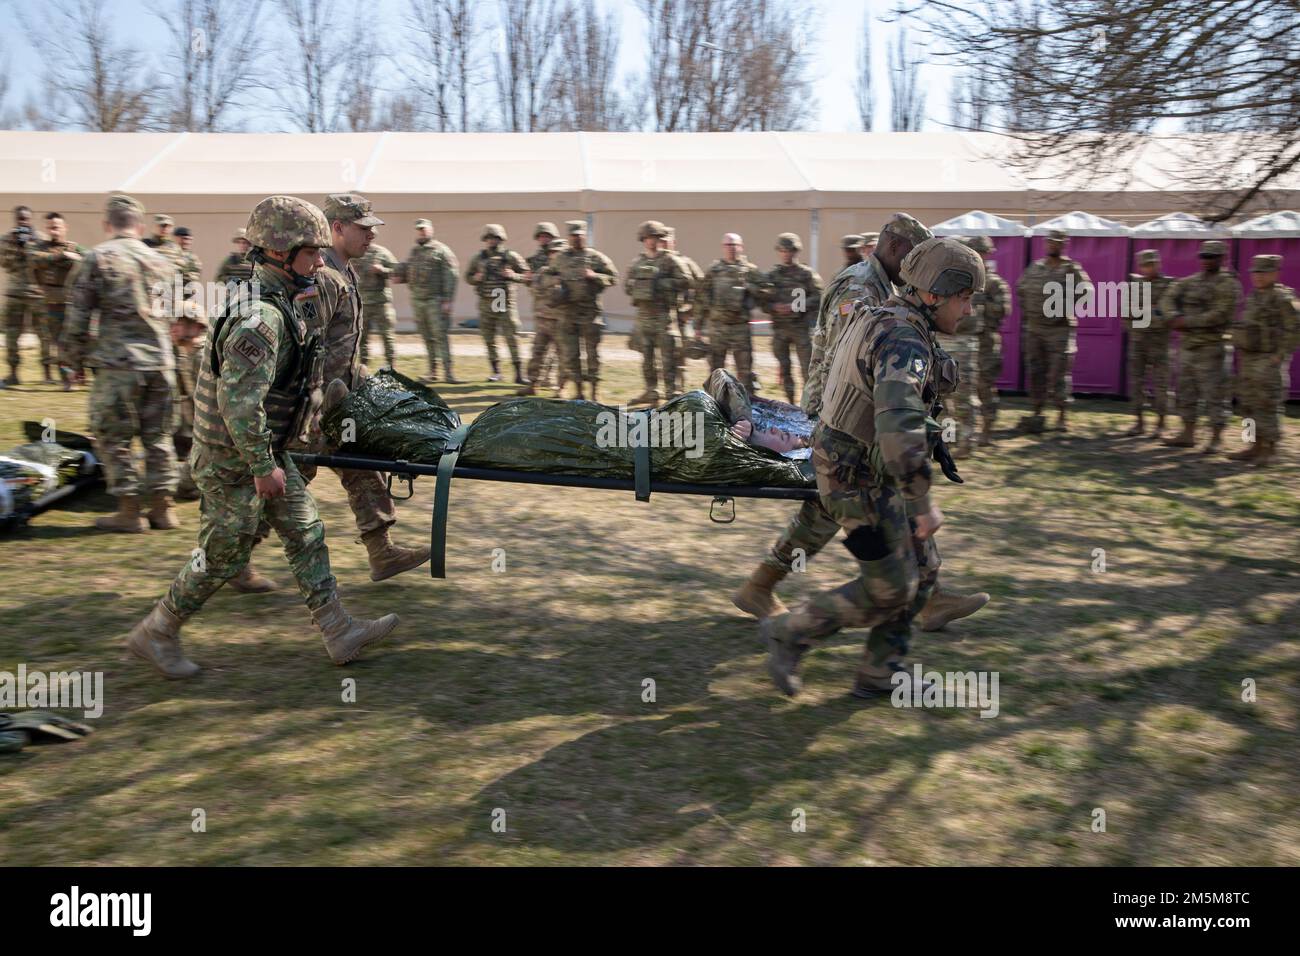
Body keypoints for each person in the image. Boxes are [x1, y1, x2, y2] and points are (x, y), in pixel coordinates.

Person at [123, 195, 400, 680]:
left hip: (262, 448)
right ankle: (158, 630)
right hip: (234, 456)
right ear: (279, 253)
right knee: (223, 553)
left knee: (305, 528)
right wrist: (260, 465)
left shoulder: (281, 302)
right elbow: (239, 403)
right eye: (311, 252)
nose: (319, 261)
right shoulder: (261, 318)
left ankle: (339, 631)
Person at [735, 212, 988, 636]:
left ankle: (764, 586)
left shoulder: (879, 285)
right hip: (841, 411)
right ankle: (913, 598)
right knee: (879, 496)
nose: (917, 269)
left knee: (834, 505)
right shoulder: (860, 287)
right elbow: (857, 353)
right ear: (893, 248)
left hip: (851, 412)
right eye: (914, 256)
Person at [235, 193, 431, 592]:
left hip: (336, 400)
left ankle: (381, 549)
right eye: (364, 229)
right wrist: (312, 404)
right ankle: (233, 557)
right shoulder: (324, 279)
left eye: (373, 229)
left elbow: (342, 347)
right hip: (313, 407)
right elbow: (304, 346)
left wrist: (363, 383)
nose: (371, 236)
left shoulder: (345, 272)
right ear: (337, 228)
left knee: (356, 462)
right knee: (287, 485)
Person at [60, 195, 181, 532]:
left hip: (119, 364)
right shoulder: (163, 261)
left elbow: (78, 315)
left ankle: (129, 510)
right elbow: (174, 313)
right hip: (161, 362)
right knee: (159, 437)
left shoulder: (98, 258)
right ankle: (163, 508)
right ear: (140, 227)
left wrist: (73, 360)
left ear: (106, 225)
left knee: (114, 437)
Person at [1160, 240, 1241, 452]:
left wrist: (1188, 322)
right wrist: (1173, 316)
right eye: (1203, 256)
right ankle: (1187, 433)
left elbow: (1221, 313)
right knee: (1186, 391)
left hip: (1212, 348)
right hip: (1188, 347)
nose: (1206, 261)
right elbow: (1167, 298)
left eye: (1211, 257)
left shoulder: (1228, 284)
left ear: (1222, 259)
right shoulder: (1189, 281)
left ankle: (1216, 437)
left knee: (1215, 394)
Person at [1227, 254, 1299, 467]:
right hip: (1249, 358)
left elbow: (1295, 329)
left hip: (1269, 360)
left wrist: (1281, 355)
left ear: (1275, 273)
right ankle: (1252, 445)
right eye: (1255, 272)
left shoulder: (1283, 298)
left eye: (1263, 272)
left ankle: (1270, 450)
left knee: (1268, 404)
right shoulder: (1254, 296)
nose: (1257, 277)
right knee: (1247, 403)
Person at [1017, 229, 1091, 433]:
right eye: (1050, 242)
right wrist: (1030, 313)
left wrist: (1065, 307)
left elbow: (1087, 292)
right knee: (1035, 371)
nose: (1053, 245)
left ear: (1064, 245)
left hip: (1059, 331)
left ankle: (1061, 416)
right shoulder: (1035, 267)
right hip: (1034, 330)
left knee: (1059, 374)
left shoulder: (1071, 269)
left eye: (1057, 243)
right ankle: (1037, 411)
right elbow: (1021, 289)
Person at [624, 219, 690, 405]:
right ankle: (651, 391)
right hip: (644, 318)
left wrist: (660, 284)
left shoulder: (670, 260)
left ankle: (671, 395)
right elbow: (627, 286)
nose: (651, 241)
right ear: (643, 240)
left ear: (660, 239)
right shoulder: (637, 262)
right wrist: (640, 287)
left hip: (664, 318)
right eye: (647, 238)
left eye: (654, 237)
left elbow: (687, 281)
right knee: (647, 359)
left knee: (668, 359)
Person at [556, 220, 618, 400]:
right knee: (571, 354)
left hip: (590, 314)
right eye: (573, 235)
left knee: (592, 354)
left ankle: (594, 392)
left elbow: (614, 277)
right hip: (567, 314)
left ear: (585, 236)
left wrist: (595, 276)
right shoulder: (560, 258)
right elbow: (546, 275)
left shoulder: (595, 257)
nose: (576, 238)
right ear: (568, 237)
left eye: (579, 235)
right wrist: (553, 284)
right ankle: (579, 391)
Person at [760, 232, 822, 404]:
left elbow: (818, 297)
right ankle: (790, 403)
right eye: (783, 250)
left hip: (800, 329)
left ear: (796, 251)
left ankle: (809, 406)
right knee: (785, 369)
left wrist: (796, 306)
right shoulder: (772, 275)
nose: (787, 253)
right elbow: (762, 300)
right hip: (780, 331)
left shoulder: (806, 274)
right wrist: (773, 307)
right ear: (779, 251)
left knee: (807, 371)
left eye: (790, 250)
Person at [699, 233, 763, 393]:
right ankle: (716, 405)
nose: (732, 248)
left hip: (740, 328)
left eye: (735, 245)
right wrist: (698, 326)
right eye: (728, 245)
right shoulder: (714, 270)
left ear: (741, 247)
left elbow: (765, 291)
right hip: (717, 328)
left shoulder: (750, 270)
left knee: (745, 370)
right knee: (716, 370)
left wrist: (749, 288)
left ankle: (748, 407)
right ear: (723, 247)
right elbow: (701, 296)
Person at [466, 224, 529, 384]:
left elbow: (527, 275)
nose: (491, 241)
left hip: (504, 301)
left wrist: (513, 275)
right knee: (489, 338)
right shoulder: (478, 258)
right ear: (485, 240)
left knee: (511, 338)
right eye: (489, 238)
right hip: (486, 302)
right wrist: (476, 278)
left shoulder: (510, 256)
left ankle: (519, 374)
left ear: (501, 239)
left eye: (495, 238)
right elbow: (468, 276)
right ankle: (496, 372)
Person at [398, 218, 459, 384]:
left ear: (431, 230)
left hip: (435, 301)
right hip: (418, 301)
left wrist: (448, 300)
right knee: (426, 336)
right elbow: (408, 271)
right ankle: (433, 371)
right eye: (419, 230)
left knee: (440, 336)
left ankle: (448, 373)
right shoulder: (414, 252)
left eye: (424, 229)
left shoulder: (441, 250)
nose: (421, 232)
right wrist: (399, 275)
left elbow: (451, 275)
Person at [1124, 249, 1175, 438]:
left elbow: (1169, 312)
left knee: (1161, 383)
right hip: (1138, 340)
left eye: (1152, 264)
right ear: (1140, 266)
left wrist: (1144, 312)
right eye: (1145, 265)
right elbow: (1125, 312)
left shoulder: (1170, 285)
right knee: (1136, 382)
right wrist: (1151, 312)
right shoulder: (1134, 286)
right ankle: (1138, 422)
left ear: (1159, 264)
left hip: (1160, 341)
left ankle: (1161, 423)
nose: (1149, 268)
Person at [32, 212, 86, 389]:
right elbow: (34, 260)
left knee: (77, 341)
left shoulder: (75, 247)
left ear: (65, 228)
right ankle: (67, 380)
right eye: (50, 228)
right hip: (52, 304)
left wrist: (77, 257)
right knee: (59, 343)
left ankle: (79, 374)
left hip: (74, 304)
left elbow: (90, 258)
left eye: (56, 227)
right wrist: (61, 256)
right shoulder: (41, 248)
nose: (53, 231)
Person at [967, 236, 1010, 445]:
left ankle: (987, 431)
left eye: (982, 253)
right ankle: (963, 432)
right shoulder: (962, 279)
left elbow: (1004, 310)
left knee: (985, 386)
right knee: (960, 389)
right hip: (963, 341)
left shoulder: (994, 282)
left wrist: (984, 302)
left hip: (985, 342)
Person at [518, 238, 569, 396]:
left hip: (561, 321)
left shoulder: (569, 274)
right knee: (537, 353)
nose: (555, 255)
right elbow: (534, 290)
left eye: (558, 253)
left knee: (564, 356)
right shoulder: (542, 272)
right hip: (542, 320)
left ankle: (561, 388)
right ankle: (533, 384)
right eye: (552, 252)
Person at [1, 205, 45, 386]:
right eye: (20, 219)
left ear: (31, 219)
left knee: (44, 334)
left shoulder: (40, 239)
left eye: (26, 219)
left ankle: (47, 375)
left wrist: (30, 247)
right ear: (15, 219)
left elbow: (44, 265)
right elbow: (4, 264)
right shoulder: (6, 239)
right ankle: (13, 374)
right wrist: (15, 247)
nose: (23, 222)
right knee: (11, 335)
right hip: (14, 294)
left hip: (35, 294)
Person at [664, 226, 707, 381]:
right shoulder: (654, 263)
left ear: (673, 242)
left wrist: (690, 311)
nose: (661, 244)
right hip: (660, 319)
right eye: (659, 240)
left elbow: (702, 287)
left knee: (679, 356)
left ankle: (680, 390)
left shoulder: (685, 262)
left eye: (665, 240)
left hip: (680, 318)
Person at [355, 240, 401, 369]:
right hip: (361, 303)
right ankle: (363, 367)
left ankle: (391, 366)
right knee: (362, 337)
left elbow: (398, 273)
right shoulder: (354, 252)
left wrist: (382, 270)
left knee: (387, 336)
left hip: (381, 303)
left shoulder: (382, 252)